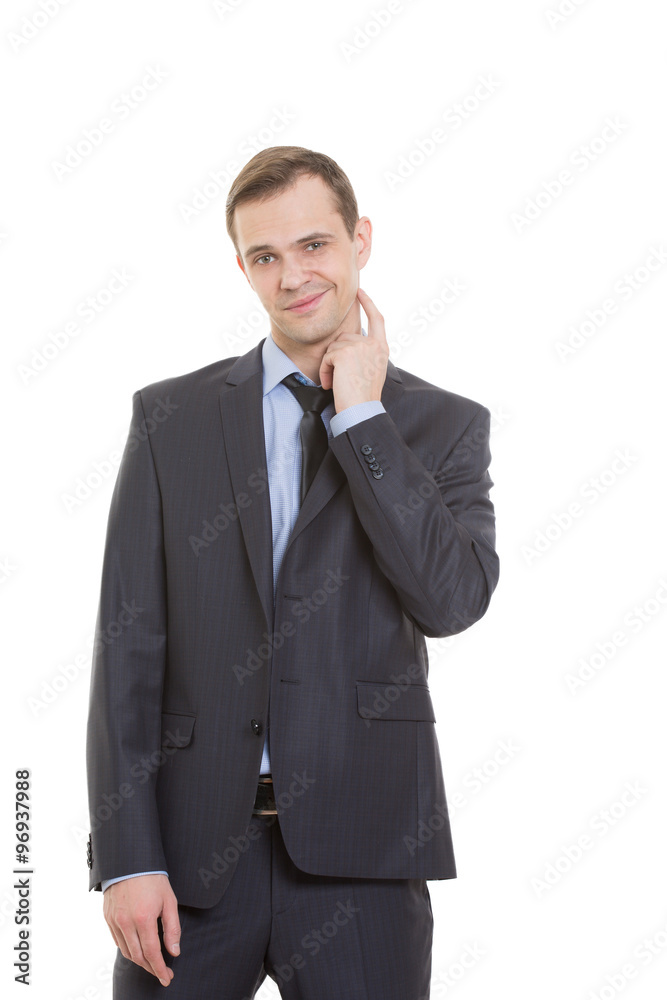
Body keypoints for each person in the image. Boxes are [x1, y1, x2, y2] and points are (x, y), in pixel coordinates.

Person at [86, 145, 499, 999]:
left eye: (314, 245)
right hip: (190, 865)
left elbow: (451, 600)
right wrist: (126, 859)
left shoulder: (442, 425)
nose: (292, 276)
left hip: (366, 857)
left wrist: (362, 418)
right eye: (265, 256)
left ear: (360, 241)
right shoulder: (171, 419)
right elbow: (126, 652)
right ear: (241, 266)